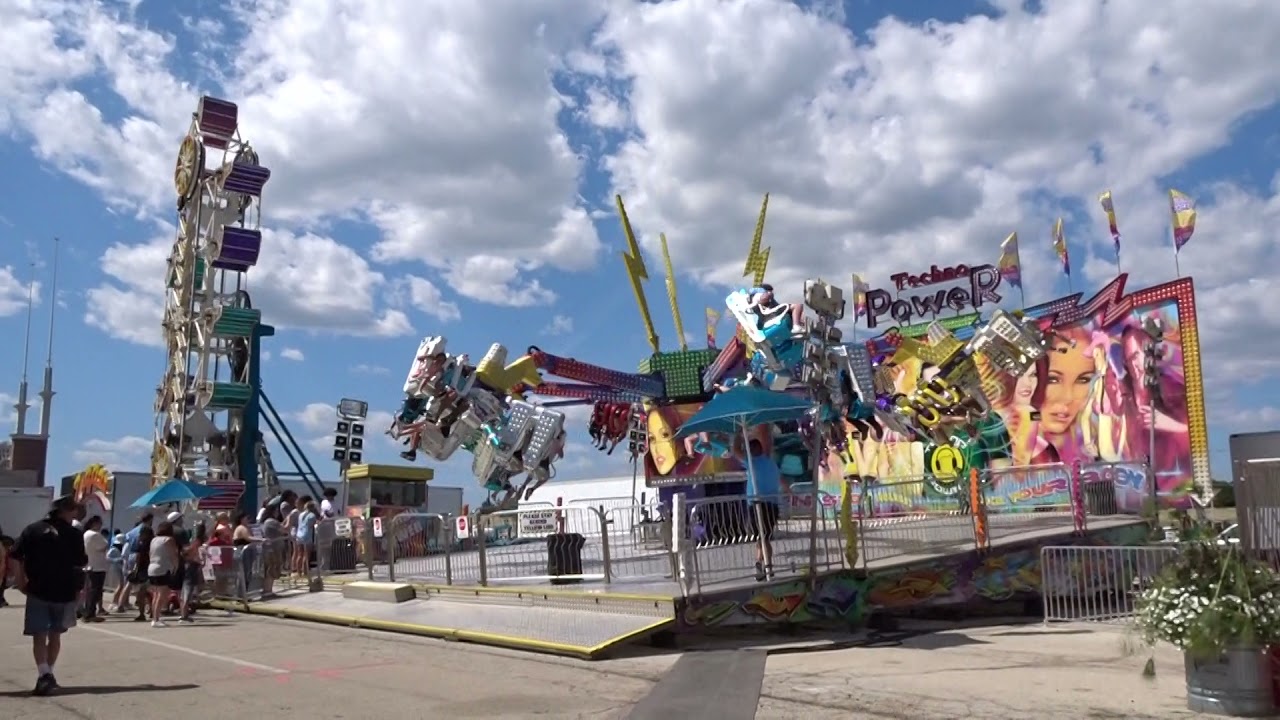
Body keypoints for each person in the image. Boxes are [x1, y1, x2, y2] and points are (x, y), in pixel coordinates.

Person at [8, 494, 88, 696]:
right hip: (65, 590)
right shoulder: (74, 534)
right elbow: (81, 562)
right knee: (55, 635)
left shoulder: (33, 529)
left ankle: (44, 674)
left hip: (38, 589)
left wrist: (20, 581)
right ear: (68, 511)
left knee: (39, 635)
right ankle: (48, 674)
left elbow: (15, 556)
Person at [732, 438, 783, 582]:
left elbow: (735, 451)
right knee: (763, 537)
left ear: (751, 451)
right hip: (772, 504)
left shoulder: (753, 463)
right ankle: (764, 565)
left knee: (763, 538)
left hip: (758, 504)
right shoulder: (771, 463)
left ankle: (764, 566)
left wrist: (736, 435)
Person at [147, 522, 179, 628]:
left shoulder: (154, 540)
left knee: (156, 594)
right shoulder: (168, 540)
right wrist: (176, 567)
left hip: (152, 567)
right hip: (163, 568)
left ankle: (155, 617)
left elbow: (150, 553)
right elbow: (173, 555)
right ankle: (156, 619)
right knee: (162, 594)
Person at [81, 516, 109, 622]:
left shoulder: (85, 534)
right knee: (95, 591)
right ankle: (90, 613)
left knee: (90, 590)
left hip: (89, 564)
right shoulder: (95, 535)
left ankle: (88, 612)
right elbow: (104, 546)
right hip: (98, 566)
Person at [179, 523, 206, 623]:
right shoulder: (196, 542)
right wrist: (197, 559)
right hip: (191, 566)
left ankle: (184, 613)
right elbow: (190, 553)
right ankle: (183, 615)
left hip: (191, 566)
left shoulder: (192, 541)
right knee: (187, 591)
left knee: (187, 591)